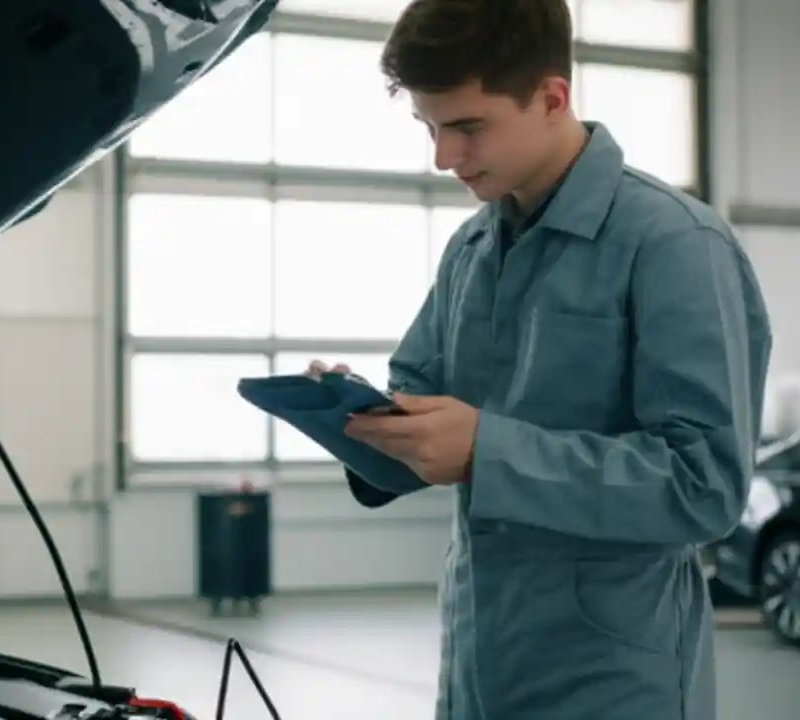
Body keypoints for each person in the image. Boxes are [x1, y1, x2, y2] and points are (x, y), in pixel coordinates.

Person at [308, 0, 773, 718]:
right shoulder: (471, 249)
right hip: (478, 659)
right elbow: (428, 412)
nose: (443, 157)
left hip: (613, 676)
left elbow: (703, 485)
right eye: (430, 129)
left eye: (467, 127)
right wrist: (358, 421)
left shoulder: (674, 246)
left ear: (552, 97)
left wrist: (485, 451)